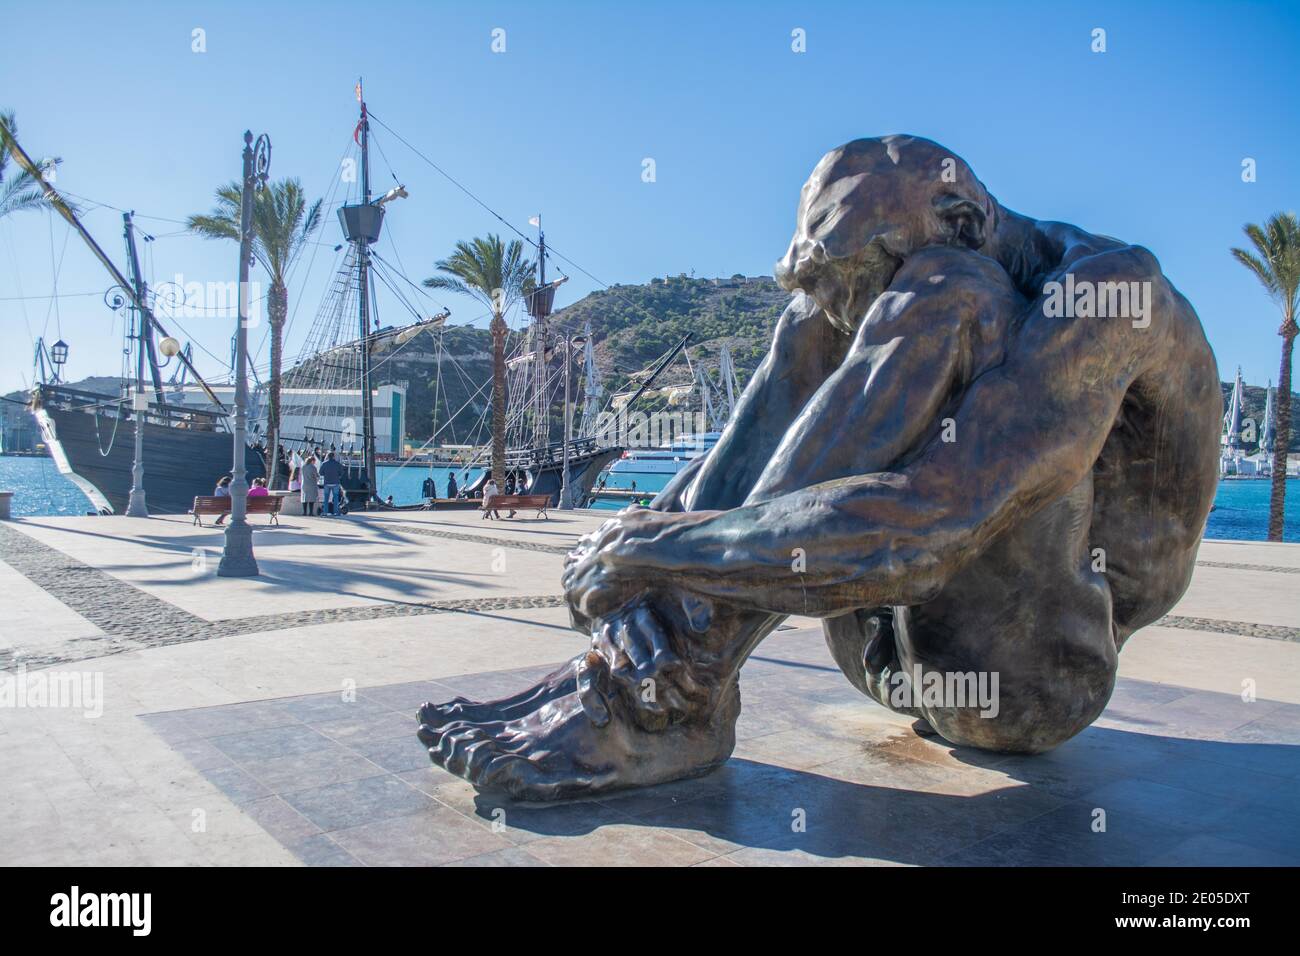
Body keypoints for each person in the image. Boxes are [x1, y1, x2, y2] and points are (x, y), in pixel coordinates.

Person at [319, 452, 343, 517]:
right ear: (333, 457)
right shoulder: (338, 464)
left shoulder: (324, 464)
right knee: (335, 498)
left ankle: (325, 512)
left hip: (327, 483)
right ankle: (335, 512)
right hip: (335, 483)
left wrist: (326, 474)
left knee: (326, 498)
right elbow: (341, 473)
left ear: (328, 457)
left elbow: (320, 473)